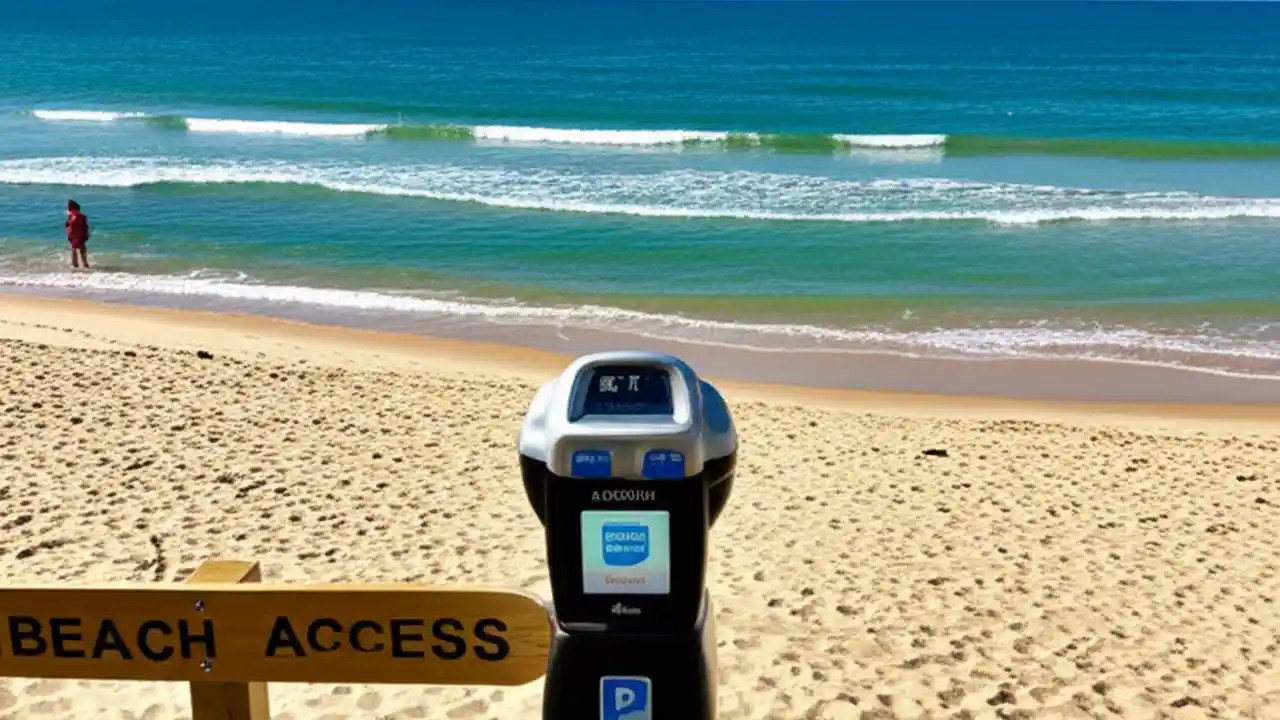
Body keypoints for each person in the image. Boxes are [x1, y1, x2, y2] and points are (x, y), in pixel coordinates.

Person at [65, 199, 90, 269]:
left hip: (72, 234)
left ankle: (75, 264)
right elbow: (85, 226)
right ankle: (85, 264)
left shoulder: (71, 215)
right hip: (80, 234)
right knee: (82, 248)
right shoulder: (81, 216)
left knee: (74, 248)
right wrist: (87, 234)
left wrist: (69, 233)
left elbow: (67, 224)